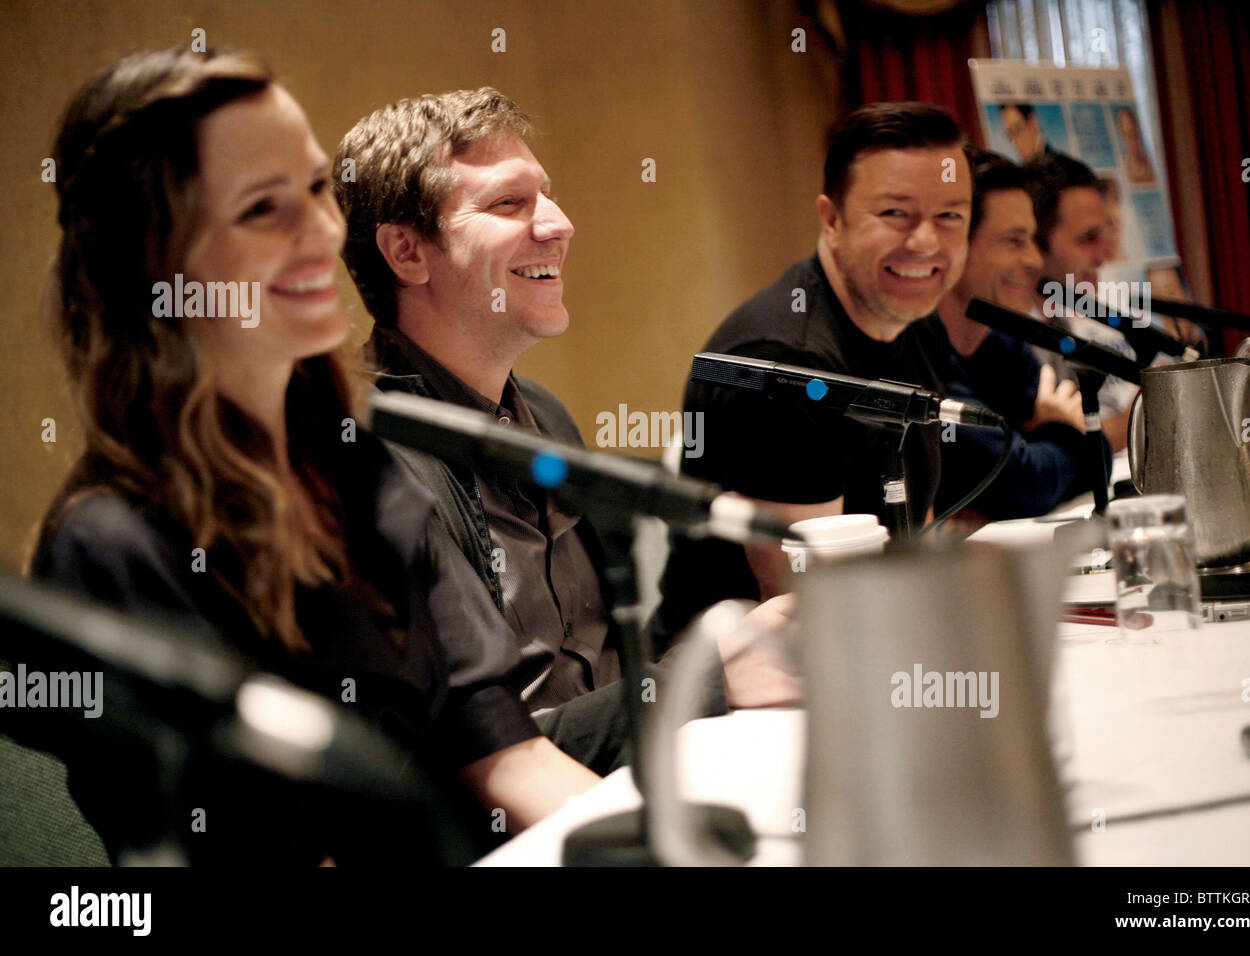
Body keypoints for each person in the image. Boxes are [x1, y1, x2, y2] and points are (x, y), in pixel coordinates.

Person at [29, 47, 600, 866]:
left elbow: (509, 756)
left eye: (313, 191)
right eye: (264, 208)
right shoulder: (113, 548)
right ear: (156, 257)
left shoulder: (357, 470)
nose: (322, 233)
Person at [332, 89, 799, 773]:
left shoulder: (545, 414)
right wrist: (704, 679)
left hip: (632, 779)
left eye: (545, 196)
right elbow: (475, 761)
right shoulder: (371, 458)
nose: (559, 224)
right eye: (508, 204)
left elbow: (603, 683)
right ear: (407, 252)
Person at [651, 102, 971, 651]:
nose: (926, 243)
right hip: (733, 689)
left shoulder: (914, 322)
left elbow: (917, 529)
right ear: (831, 219)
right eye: (896, 213)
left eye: (951, 216)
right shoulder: (785, 364)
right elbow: (802, 604)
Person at [934, 150, 1104, 525]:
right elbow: (1025, 484)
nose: (1033, 261)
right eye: (1014, 241)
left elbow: (1099, 451)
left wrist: (1046, 443)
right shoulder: (920, 357)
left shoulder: (1001, 346)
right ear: (956, 247)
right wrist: (1060, 428)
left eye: (1033, 240)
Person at [1023, 150, 1138, 453]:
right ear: (1035, 242)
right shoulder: (1011, 336)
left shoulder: (1070, 313)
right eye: (1088, 239)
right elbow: (1069, 445)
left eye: (1105, 235)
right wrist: (1142, 414)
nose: (1104, 256)